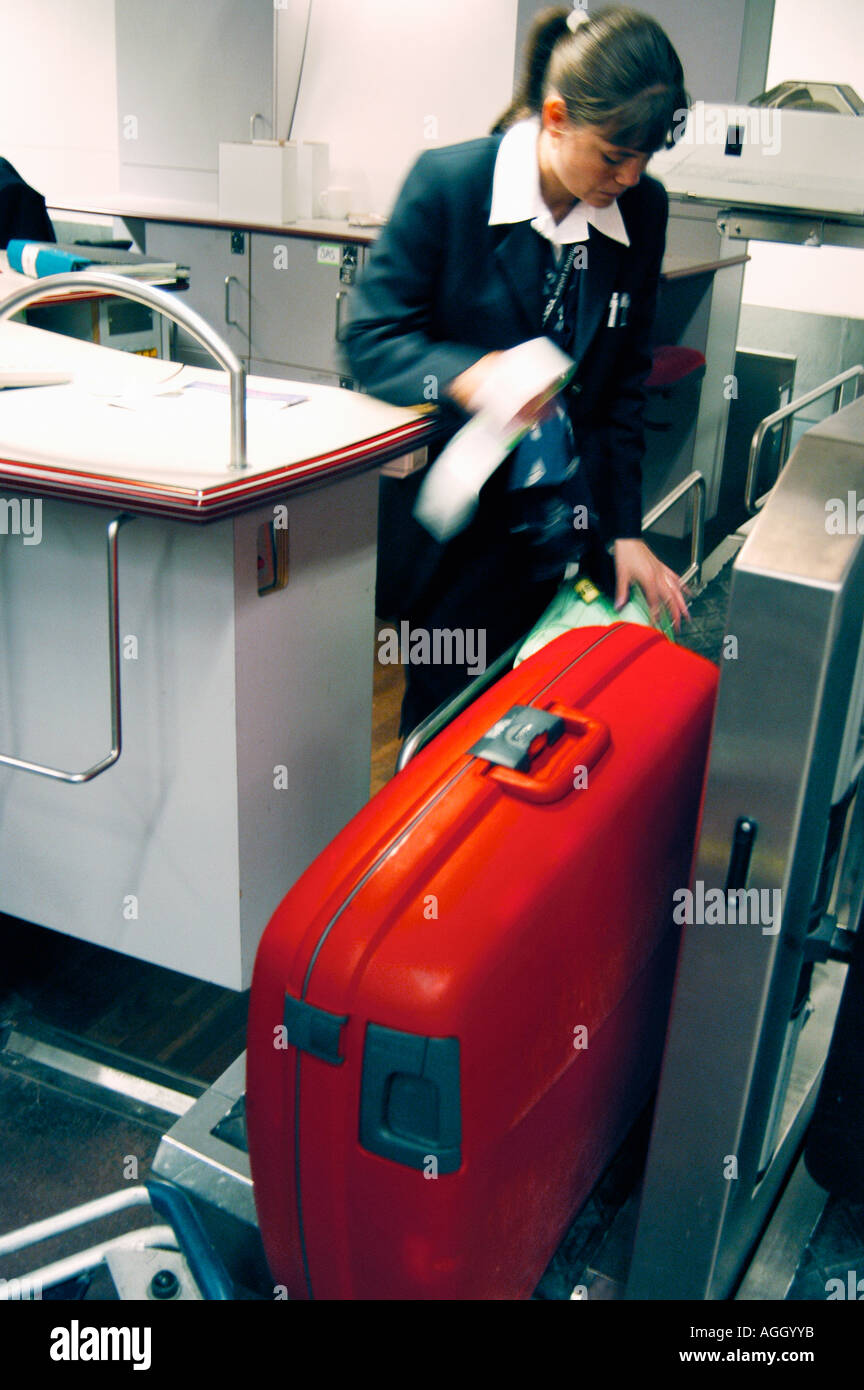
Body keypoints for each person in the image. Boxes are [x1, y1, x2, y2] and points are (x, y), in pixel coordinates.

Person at [344, 5, 691, 735]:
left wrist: (626, 529)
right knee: (445, 737)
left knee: (551, 736)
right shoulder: (452, 187)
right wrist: (474, 376)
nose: (628, 177)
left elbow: (624, 383)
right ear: (557, 117)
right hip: (466, 536)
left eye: (645, 159)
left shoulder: (642, 212)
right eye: (613, 155)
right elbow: (372, 340)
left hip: (576, 529)